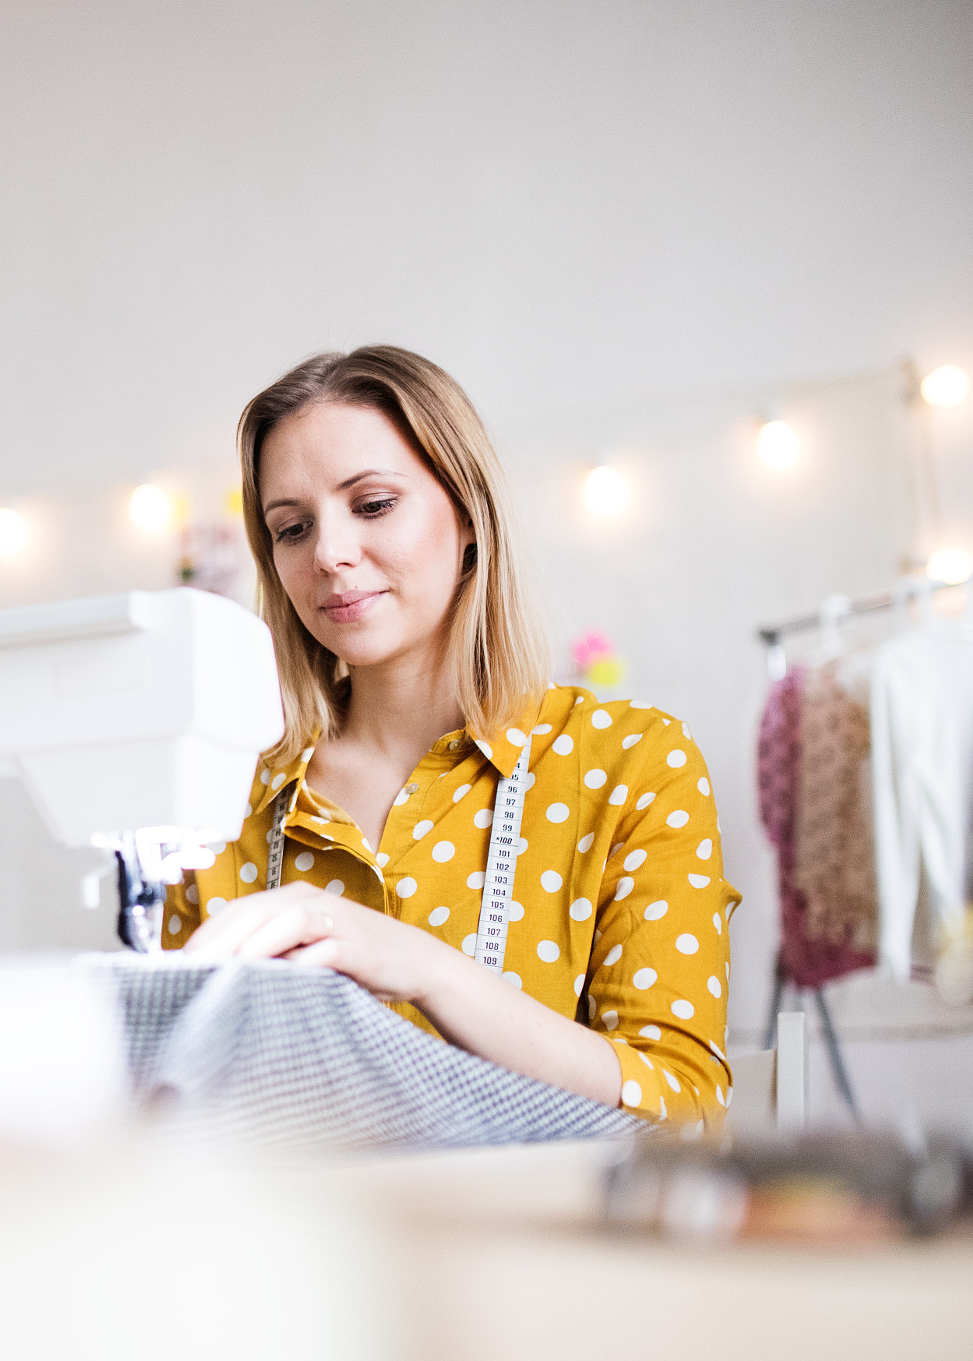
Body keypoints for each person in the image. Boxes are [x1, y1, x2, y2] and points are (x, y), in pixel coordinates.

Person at [168, 346, 736, 1130]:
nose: (328, 553)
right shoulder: (221, 797)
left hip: (536, 1215)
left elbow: (686, 1108)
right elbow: (161, 1095)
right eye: (291, 528)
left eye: (372, 505)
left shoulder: (631, 765)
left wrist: (425, 969)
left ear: (468, 514)